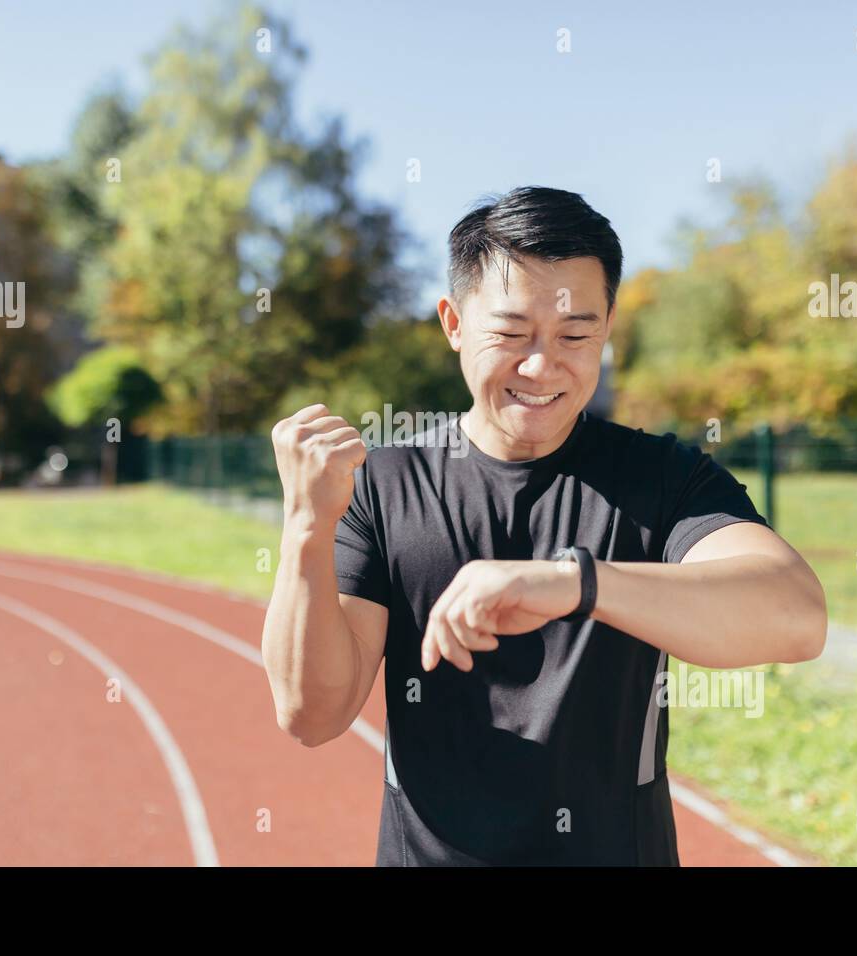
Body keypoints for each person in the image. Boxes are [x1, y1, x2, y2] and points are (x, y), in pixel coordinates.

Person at [261, 185, 827, 866]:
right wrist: (304, 529)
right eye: (509, 333)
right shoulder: (382, 488)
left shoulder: (664, 478)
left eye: (574, 335)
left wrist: (577, 584)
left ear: (608, 327)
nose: (540, 365)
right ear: (453, 324)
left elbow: (797, 618)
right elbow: (312, 716)